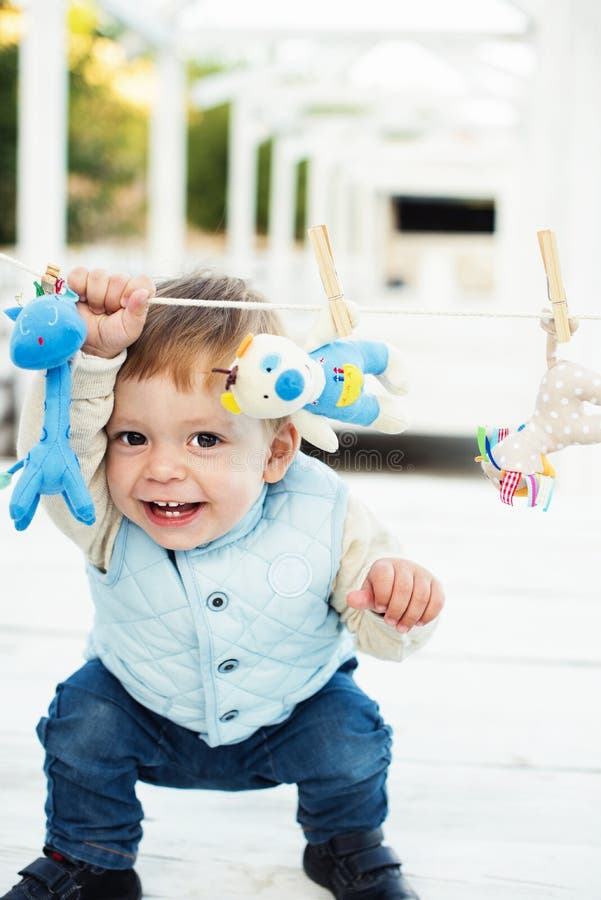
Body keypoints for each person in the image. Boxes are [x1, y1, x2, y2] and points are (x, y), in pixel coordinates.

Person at [2, 268, 445, 900]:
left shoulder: (325, 511)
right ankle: (90, 855)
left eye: (205, 439)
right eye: (132, 437)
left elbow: (379, 633)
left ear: (276, 451)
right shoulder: (102, 510)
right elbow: (58, 453)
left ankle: (346, 841)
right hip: (142, 705)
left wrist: (398, 605)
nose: (160, 469)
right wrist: (96, 357)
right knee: (82, 721)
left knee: (350, 735)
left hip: (291, 710)